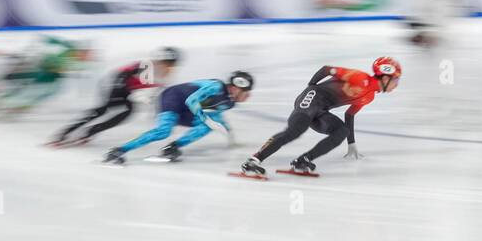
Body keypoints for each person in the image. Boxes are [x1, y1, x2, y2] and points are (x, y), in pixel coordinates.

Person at [237, 58, 401, 179]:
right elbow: (327, 69)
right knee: (295, 131)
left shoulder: (369, 96)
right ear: (385, 78)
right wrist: (311, 87)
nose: (397, 84)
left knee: (341, 131)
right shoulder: (359, 77)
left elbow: (349, 115)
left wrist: (351, 143)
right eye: (396, 80)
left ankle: (303, 160)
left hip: (321, 110)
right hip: (312, 98)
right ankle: (253, 160)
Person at [103, 71, 254, 165]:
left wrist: (230, 136)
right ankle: (118, 151)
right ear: (236, 87)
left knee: (206, 126)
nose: (247, 96)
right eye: (245, 92)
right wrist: (206, 118)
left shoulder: (229, 103)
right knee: (163, 131)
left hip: (187, 109)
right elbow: (192, 101)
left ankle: (172, 147)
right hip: (173, 97)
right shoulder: (216, 86)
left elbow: (217, 117)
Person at [49, 47, 181, 147]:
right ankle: (65, 133)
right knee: (104, 110)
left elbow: (153, 93)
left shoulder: (164, 73)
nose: (169, 67)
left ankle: (90, 131)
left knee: (126, 112)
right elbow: (123, 74)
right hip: (116, 83)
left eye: (172, 65)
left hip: (126, 89)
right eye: (168, 63)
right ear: (162, 60)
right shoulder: (148, 65)